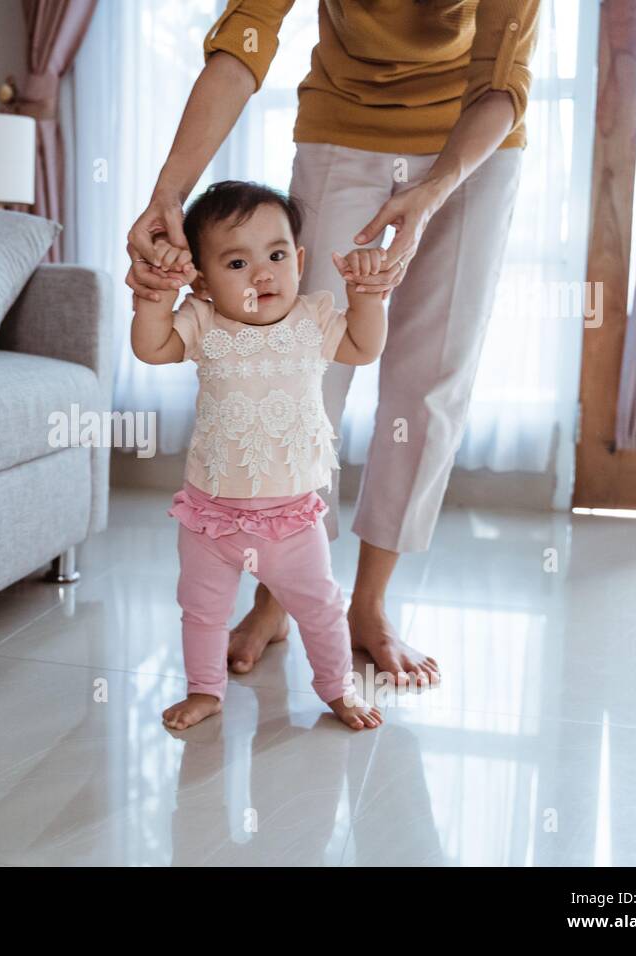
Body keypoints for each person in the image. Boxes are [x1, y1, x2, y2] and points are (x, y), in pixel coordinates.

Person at [126, 0, 538, 688]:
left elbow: (503, 81)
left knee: (431, 382)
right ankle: (277, 597)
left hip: (472, 146)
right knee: (300, 364)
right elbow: (243, 42)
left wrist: (433, 192)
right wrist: (169, 191)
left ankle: (370, 604)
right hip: (343, 128)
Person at [133, 180, 389, 730]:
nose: (262, 274)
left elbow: (365, 348)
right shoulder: (202, 322)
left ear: (298, 259)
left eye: (276, 256)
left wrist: (367, 298)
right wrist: (151, 300)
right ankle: (205, 690)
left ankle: (338, 689)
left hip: (292, 518)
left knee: (321, 608)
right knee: (202, 611)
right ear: (201, 278)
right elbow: (151, 349)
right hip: (211, 519)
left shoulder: (313, 319)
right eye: (236, 262)